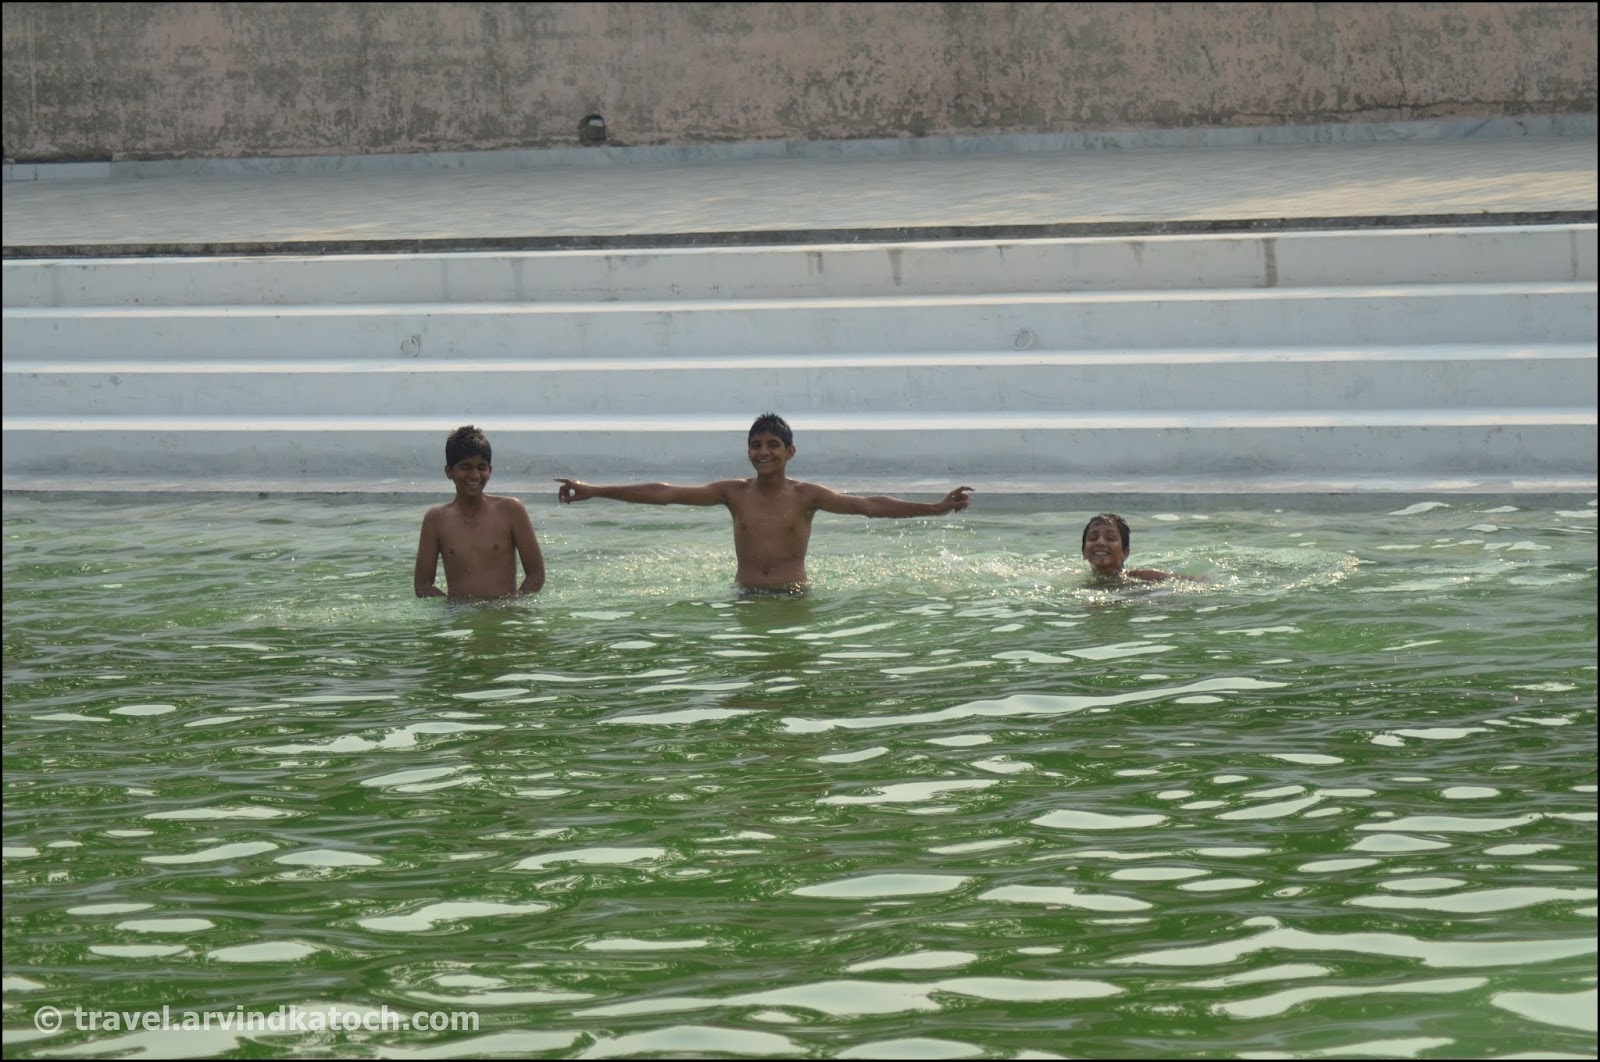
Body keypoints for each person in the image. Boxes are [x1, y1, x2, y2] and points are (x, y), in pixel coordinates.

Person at [554, 413, 972, 592]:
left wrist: (933, 509)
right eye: (756, 445)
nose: (763, 452)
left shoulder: (808, 496)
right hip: (746, 595)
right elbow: (664, 494)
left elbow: (867, 505)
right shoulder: (733, 494)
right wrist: (594, 490)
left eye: (773, 445)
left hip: (794, 596)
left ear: (790, 452)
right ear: (747, 451)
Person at [414, 425, 546, 600]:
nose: (475, 475)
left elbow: (536, 573)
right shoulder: (436, 519)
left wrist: (513, 606)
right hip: (461, 621)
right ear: (449, 471)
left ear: (490, 471)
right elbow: (422, 586)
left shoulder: (511, 510)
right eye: (466, 467)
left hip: (504, 619)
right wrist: (454, 611)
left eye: (481, 467)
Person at [1081, 512, 1197, 583]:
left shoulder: (1143, 578)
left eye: (1110, 538)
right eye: (1093, 538)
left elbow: (1193, 582)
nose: (1100, 542)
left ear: (1125, 553)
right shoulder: (1082, 584)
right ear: (1084, 552)